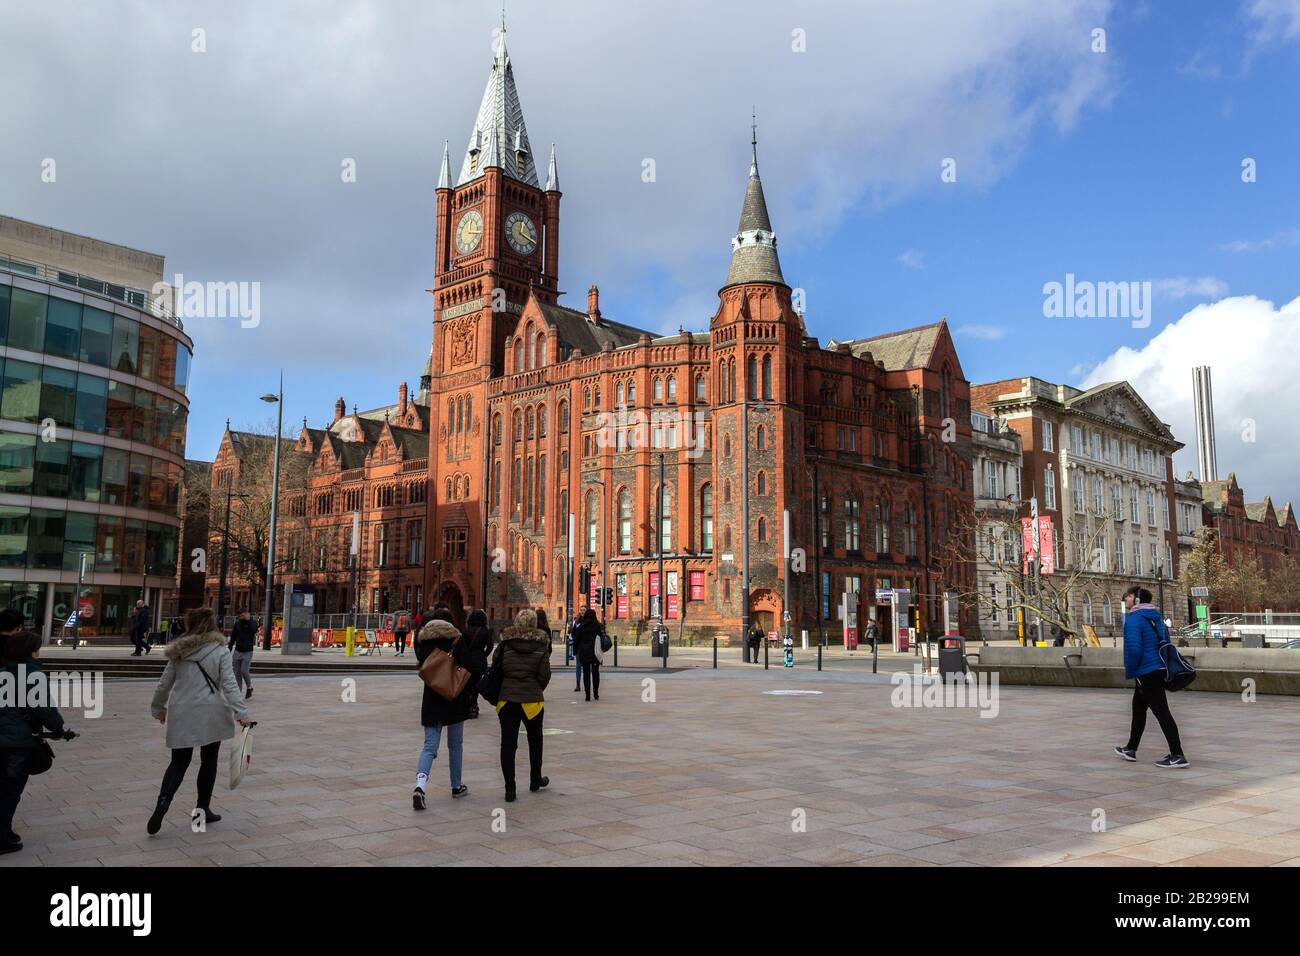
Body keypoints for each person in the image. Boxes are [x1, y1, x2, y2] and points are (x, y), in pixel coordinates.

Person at [147, 607, 252, 834]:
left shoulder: (178, 652)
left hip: (181, 710)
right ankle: (202, 809)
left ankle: (163, 801)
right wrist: (241, 713)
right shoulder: (220, 651)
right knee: (209, 760)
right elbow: (231, 685)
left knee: (178, 762)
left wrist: (158, 708)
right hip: (210, 711)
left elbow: (164, 683)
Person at [1, 631, 77, 856]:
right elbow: (44, 709)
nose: (38, 652)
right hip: (18, 742)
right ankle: (2, 837)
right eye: (37, 648)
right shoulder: (32, 675)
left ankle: (5, 830)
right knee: (10, 790)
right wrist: (60, 730)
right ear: (30, 651)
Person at [412, 610, 481, 807]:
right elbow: (468, 668)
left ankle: (420, 786)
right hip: (454, 697)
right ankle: (456, 786)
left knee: (429, 746)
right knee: (455, 744)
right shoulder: (456, 640)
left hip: (432, 698)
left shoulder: (423, 642)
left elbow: (422, 667)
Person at [1115, 586, 1188, 769]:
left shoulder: (1134, 620)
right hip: (1159, 669)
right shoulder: (1156, 618)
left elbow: (1134, 649)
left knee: (1162, 713)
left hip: (1146, 672)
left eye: (1130, 596)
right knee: (1138, 710)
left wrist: (1132, 671)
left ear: (1137, 600)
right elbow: (1166, 643)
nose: (1127, 599)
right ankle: (1131, 748)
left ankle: (1177, 754)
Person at [492, 608, 551, 802]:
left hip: (507, 700)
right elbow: (544, 676)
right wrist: (534, 688)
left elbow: (496, 667)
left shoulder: (505, 644)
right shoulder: (541, 645)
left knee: (508, 744)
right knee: (535, 741)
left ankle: (510, 788)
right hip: (532, 701)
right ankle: (535, 780)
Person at [462, 609, 494, 719]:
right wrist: (483, 655)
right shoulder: (485, 631)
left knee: (466, 683)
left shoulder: (465, 630)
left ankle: (466, 705)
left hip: (466, 661)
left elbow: (461, 646)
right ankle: (473, 705)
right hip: (479, 661)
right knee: (476, 684)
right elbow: (490, 647)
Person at [572, 607, 604, 701]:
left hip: (584, 652)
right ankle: (596, 693)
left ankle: (587, 695)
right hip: (595, 653)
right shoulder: (598, 626)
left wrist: (575, 651)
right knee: (595, 673)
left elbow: (576, 639)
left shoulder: (582, 626)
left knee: (586, 673)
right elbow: (602, 638)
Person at [227, 610, 257, 699]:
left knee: (244, 670)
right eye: (241, 615)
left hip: (248, 651)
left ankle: (249, 687)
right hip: (238, 650)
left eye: (244, 614)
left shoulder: (252, 622)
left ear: (248, 614)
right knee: (237, 673)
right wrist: (230, 647)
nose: (242, 616)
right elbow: (233, 636)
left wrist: (249, 620)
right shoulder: (237, 624)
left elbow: (254, 630)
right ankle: (238, 693)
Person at [568, 609, 585, 692]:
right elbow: (572, 633)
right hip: (578, 647)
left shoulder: (589, 621)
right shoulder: (576, 622)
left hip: (586, 647)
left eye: (584, 610)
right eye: (581, 610)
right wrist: (574, 639)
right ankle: (578, 684)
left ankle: (586, 684)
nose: (582, 611)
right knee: (578, 666)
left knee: (585, 666)